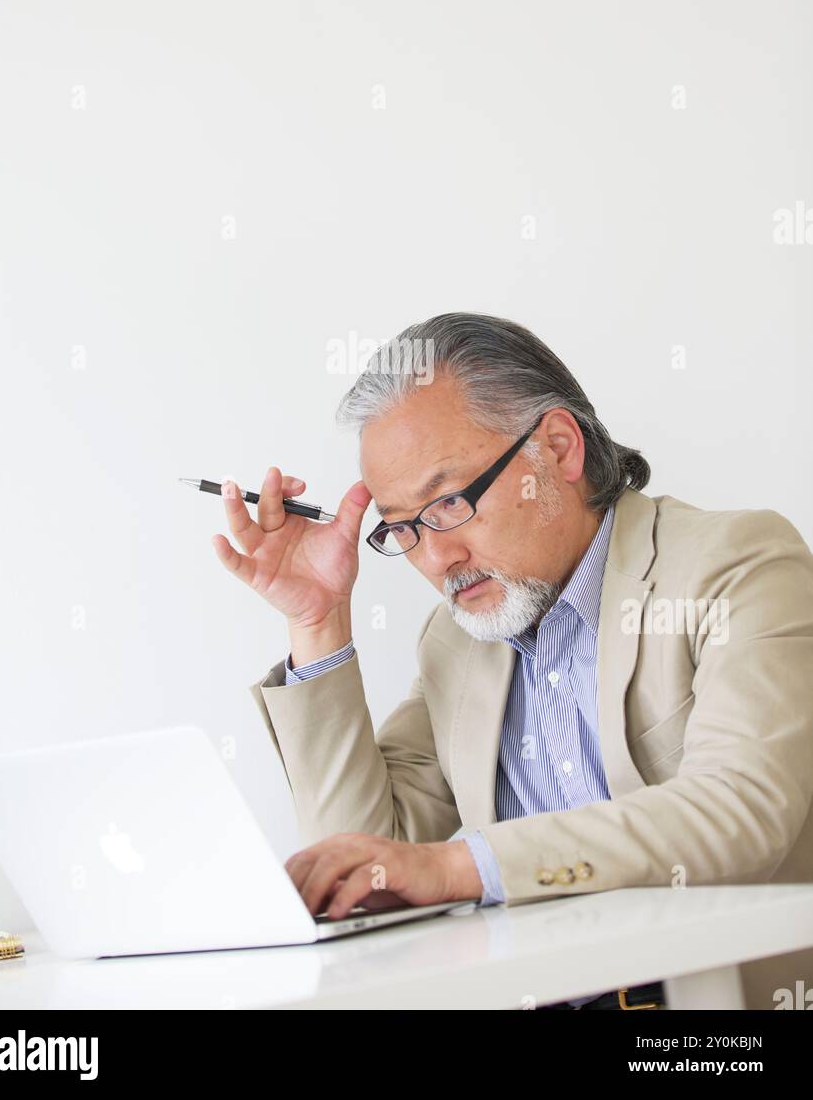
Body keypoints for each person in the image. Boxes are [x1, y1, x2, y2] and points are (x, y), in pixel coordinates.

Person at [212, 311, 813, 1010]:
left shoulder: (737, 565)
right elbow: (367, 866)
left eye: (448, 503)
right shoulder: (457, 643)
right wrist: (318, 620)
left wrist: (465, 864)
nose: (437, 558)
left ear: (557, 449)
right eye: (404, 529)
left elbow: (740, 809)